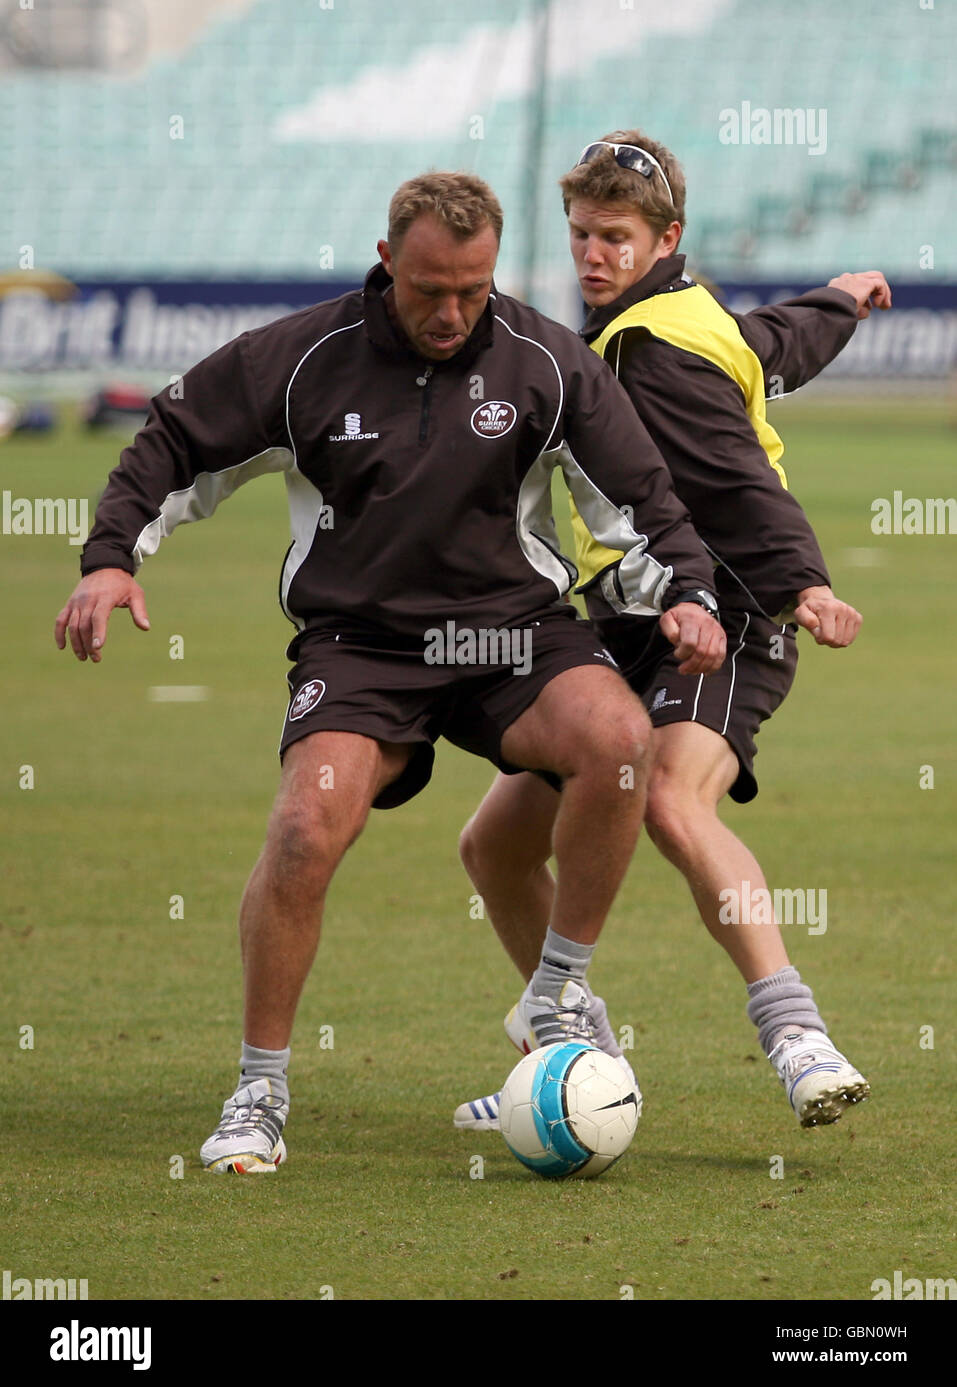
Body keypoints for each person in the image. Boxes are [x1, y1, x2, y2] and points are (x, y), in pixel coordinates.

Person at [55, 170, 726, 1173]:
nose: (453, 313)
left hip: (510, 635)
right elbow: (175, 440)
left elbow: (644, 497)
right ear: (386, 263)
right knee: (302, 830)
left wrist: (689, 594)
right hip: (363, 645)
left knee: (619, 738)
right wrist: (113, 557)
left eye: (473, 289)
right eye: (429, 291)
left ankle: (556, 992)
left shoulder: (549, 361)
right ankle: (259, 1088)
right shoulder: (303, 358)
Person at [455, 131, 891, 1133]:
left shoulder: (651, 350)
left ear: (666, 238)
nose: (592, 253)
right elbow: (772, 342)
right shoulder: (676, 317)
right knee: (493, 848)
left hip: (727, 617)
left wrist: (804, 586)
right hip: (624, 624)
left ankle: (798, 1036)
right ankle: (581, 1057)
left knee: (669, 801)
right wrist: (844, 299)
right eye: (580, 234)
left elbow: (738, 487)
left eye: (614, 236)